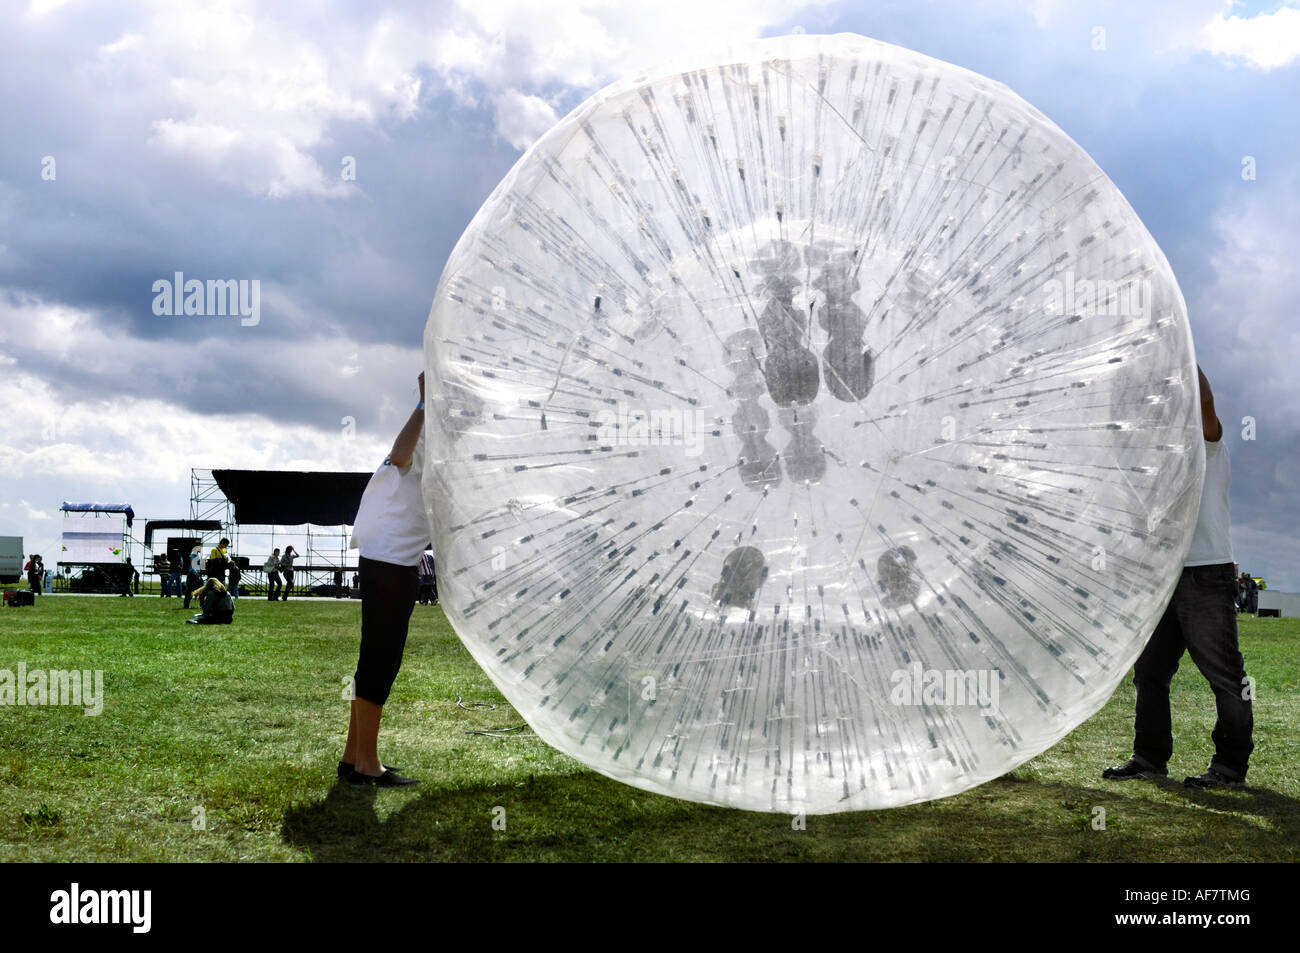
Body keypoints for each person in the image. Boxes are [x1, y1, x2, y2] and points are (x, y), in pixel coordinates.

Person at [1104, 366, 1253, 789]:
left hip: (1207, 575)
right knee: (1150, 672)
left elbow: (1205, 402)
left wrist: (1183, 356)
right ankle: (1149, 758)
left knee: (1224, 676)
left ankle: (1229, 766)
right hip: (1164, 577)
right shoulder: (1161, 461)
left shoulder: (1210, 447)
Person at [339, 372, 428, 787]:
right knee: (381, 660)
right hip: (390, 560)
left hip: (387, 557)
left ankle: (354, 757)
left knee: (372, 658)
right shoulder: (420, 439)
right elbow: (399, 454)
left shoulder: (433, 445)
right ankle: (367, 765)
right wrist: (424, 405)